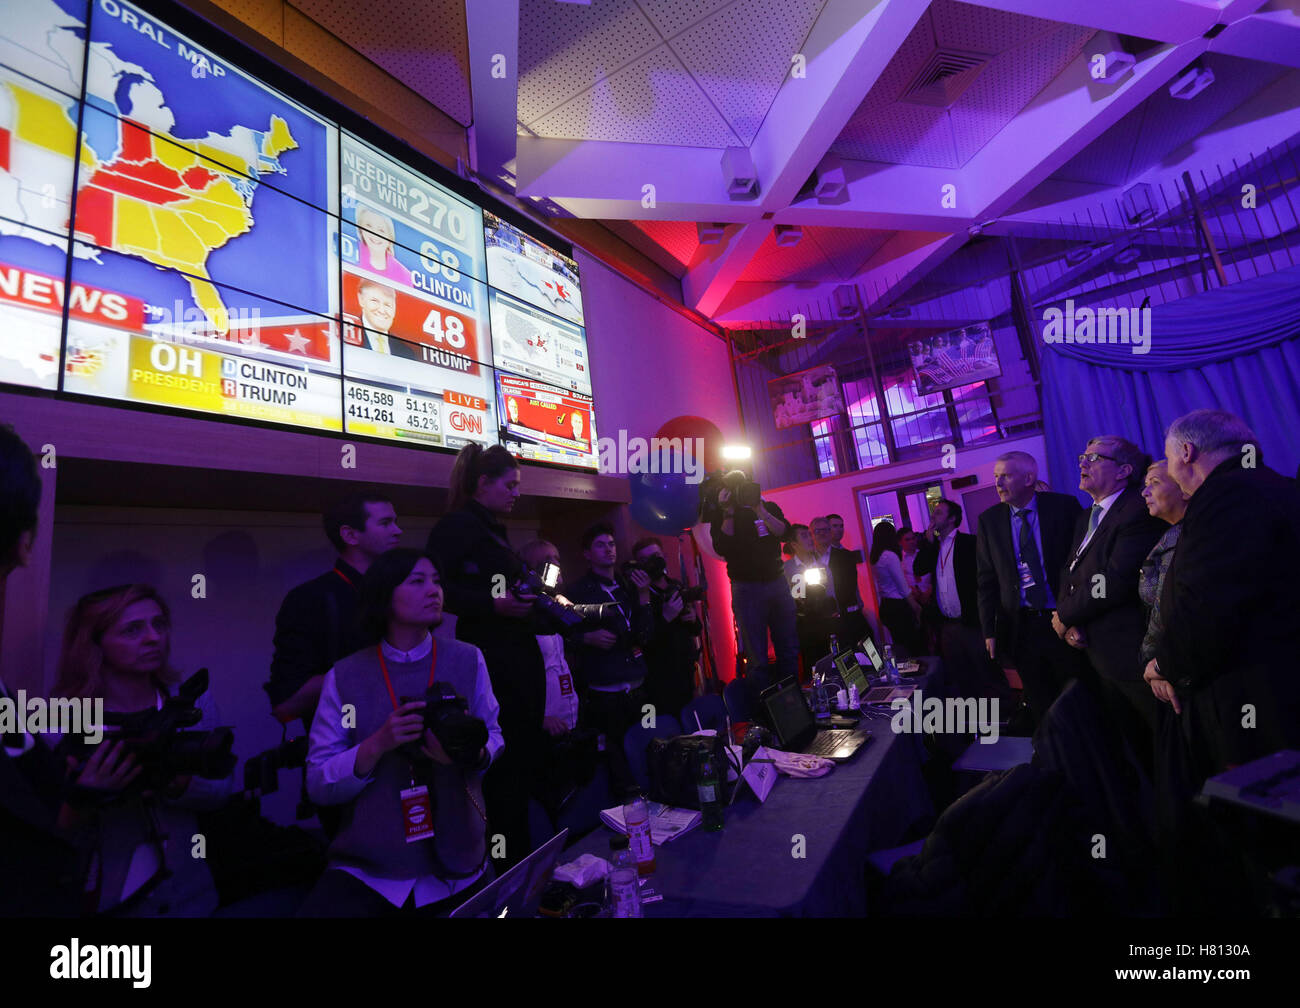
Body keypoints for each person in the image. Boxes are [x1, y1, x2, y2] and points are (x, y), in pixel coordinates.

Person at [300, 549, 503, 916]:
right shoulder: (345, 676)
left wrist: (472, 754)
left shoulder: (467, 658)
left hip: (461, 866)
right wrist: (378, 744)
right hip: (373, 874)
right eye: (417, 581)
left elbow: (494, 734)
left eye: (437, 581)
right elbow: (318, 780)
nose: (434, 590)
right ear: (383, 594)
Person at [51, 584, 237, 916]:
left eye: (159, 624)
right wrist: (87, 795)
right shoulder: (60, 720)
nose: (153, 638)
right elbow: (46, 826)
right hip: (104, 897)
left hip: (190, 892)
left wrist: (176, 781)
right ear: (95, 644)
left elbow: (223, 790)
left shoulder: (189, 702)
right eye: (133, 630)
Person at [1150, 409, 1300, 791]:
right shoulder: (1277, 484)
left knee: (1266, 820)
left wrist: (1165, 664)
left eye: (1167, 460)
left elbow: (1208, 604)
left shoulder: (1223, 497)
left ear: (1186, 452)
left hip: (1256, 696)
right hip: (1282, 679)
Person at [425, 443, 545, 870]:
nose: (516, 493)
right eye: (509, 485)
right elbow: (436, 589)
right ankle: (507, 879)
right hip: (494, 658)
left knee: (520, 771)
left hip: (515, 655)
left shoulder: (493, 528)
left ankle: (523, 869)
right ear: (483, 484)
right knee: (503, 775)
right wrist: (494, 605)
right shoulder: (457, 527)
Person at [1053, 436, 1165, 771]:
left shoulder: (1137, 509)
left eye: (1094, 458)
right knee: (1131, 752)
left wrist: (1064, 617)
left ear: (1124, 471)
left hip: (1130, 656)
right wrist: (1067, 620)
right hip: (1097, 654)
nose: (1083, 464)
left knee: (1160, 749)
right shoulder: (1088, 515)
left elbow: (1114, 580)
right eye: (1082, 457)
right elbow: (1070, 573)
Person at [266, 492, 402, 730]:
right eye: (385, 523)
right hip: (342, 752)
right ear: (349, 535)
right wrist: (373, 666)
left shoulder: (401, 591)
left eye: (395, 521)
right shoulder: (310, 599)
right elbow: (285, 704)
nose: (398, 531)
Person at [975, 450, 1084, 731]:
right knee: (1040, 702)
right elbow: (986, 581)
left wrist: (1079, 615)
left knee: (1078, 697)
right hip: (1021, 626)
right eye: (996, 477)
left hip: (1063, 620)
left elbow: (1083, 564)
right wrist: (989, 630)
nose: (998, 483)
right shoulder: (989, 521)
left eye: (1006, 476)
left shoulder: (1063, 507)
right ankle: (1053, 761)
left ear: (1029, 478)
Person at [563, 523, 655, 799]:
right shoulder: (577, 591)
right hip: (606, 695)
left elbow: (646, 635)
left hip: (639, 687)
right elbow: (560, 636)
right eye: (601, 545)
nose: (609, 550)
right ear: (587, 554)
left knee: (649, 751)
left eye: (612, 544)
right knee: (619, 767)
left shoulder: (630, 584)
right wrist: (586, 638)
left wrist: (643, 596)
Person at [705, 473, 797, 701]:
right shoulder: (724, 515)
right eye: (735, 488)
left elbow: (784, 532)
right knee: (757, 657)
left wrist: (759, 509)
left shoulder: (768, 507)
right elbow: (723, 547)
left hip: (777, 582)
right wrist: (728, 511)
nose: (741, 492)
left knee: (789, 647)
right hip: (746, 588)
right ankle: (764, 711)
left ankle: (793, 703)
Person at [915, 499, 1003, 699]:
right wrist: (927, 544)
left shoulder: (969, 542)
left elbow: (987, 579)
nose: (932, 516)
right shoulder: (934, 547)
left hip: (972, 622)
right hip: (947, 626)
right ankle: (974, 721)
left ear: (952, 518)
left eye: (938, 513)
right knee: (961, 677)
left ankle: (1004, 715)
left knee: (986, 672)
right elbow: (918, 569)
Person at [630, 536, 700, 720]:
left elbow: (696, 630)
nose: (652, 563)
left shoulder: (676, 585)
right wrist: (666, 617)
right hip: (656, 681)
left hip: (685, 674)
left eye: (655, 556)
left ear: (664, 557)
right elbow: (641, 640)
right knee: (656, 732)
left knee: (691, 730)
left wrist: (693, 619)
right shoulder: (638, 596)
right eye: (644, 560)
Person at [1136, 461, 1188, 690]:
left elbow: (1166, 611)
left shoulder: (1187, 538)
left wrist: (1156, 665)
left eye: (1155, 483)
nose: (1145, 492)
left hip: (1179, 670)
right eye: (1145, 485)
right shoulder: (1168, 535)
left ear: (1185, 489)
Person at [783, 523, 838, 669]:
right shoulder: (787, 569)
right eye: (804, 536)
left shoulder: (822, 566)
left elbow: (831, 594)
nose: (810, 539)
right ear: (794, 544)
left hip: (826, 623)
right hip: (803, 627)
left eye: (809, 535)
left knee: (831, 664)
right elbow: (790, 599)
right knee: (812, 667)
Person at [812, 515, 869, 645]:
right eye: (817, 531)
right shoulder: (808, 559)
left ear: (829, 532)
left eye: (825, 530)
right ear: (812, 534)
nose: (822, 533)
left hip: (845, 616)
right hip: (821, 619)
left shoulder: (846, 556)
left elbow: (850, 586)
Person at [870, 522, 922, 657]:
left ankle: (905, 674)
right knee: (911, 647)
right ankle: (915, 674)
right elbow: (902, 585)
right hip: (898, 606)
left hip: (886, 604)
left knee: (900, 646)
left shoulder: (875, 557)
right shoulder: (889, 555)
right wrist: (915, 606)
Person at [355, 206, 413, 286]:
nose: (374, 234)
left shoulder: (404, 275)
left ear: (390, 238)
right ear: (361, 230)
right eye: (369, 226)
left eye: (381, 230)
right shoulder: (351, 254)